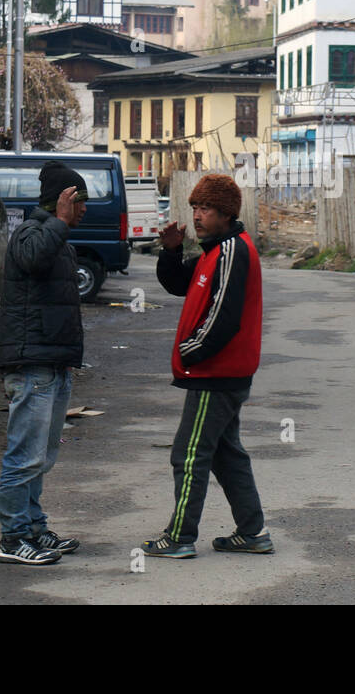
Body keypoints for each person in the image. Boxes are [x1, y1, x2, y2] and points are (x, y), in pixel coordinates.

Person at [140, 174, 272, 559]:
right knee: (225, 453)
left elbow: (224, 316)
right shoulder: (214, 251)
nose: (198, 215)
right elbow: (182, 284)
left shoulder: (232, 251)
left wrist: (190, 351)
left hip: (216, 372)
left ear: (227, 214)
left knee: (189, 452)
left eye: (207, 209)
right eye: (196, 207)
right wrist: (171, 251)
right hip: (220, 371)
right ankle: (252, 532)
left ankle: (180, 537)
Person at [0, 161, 89, 565]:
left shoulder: (58, 238)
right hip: (32, 364)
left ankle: (34, 527)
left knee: (41, 457)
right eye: (79, 202)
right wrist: (59, 221)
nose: (85, 210)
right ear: (64, 200)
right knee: (24, 456)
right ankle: (12, 539)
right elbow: (32, 258)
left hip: (53, 364)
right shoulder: (33, 232)